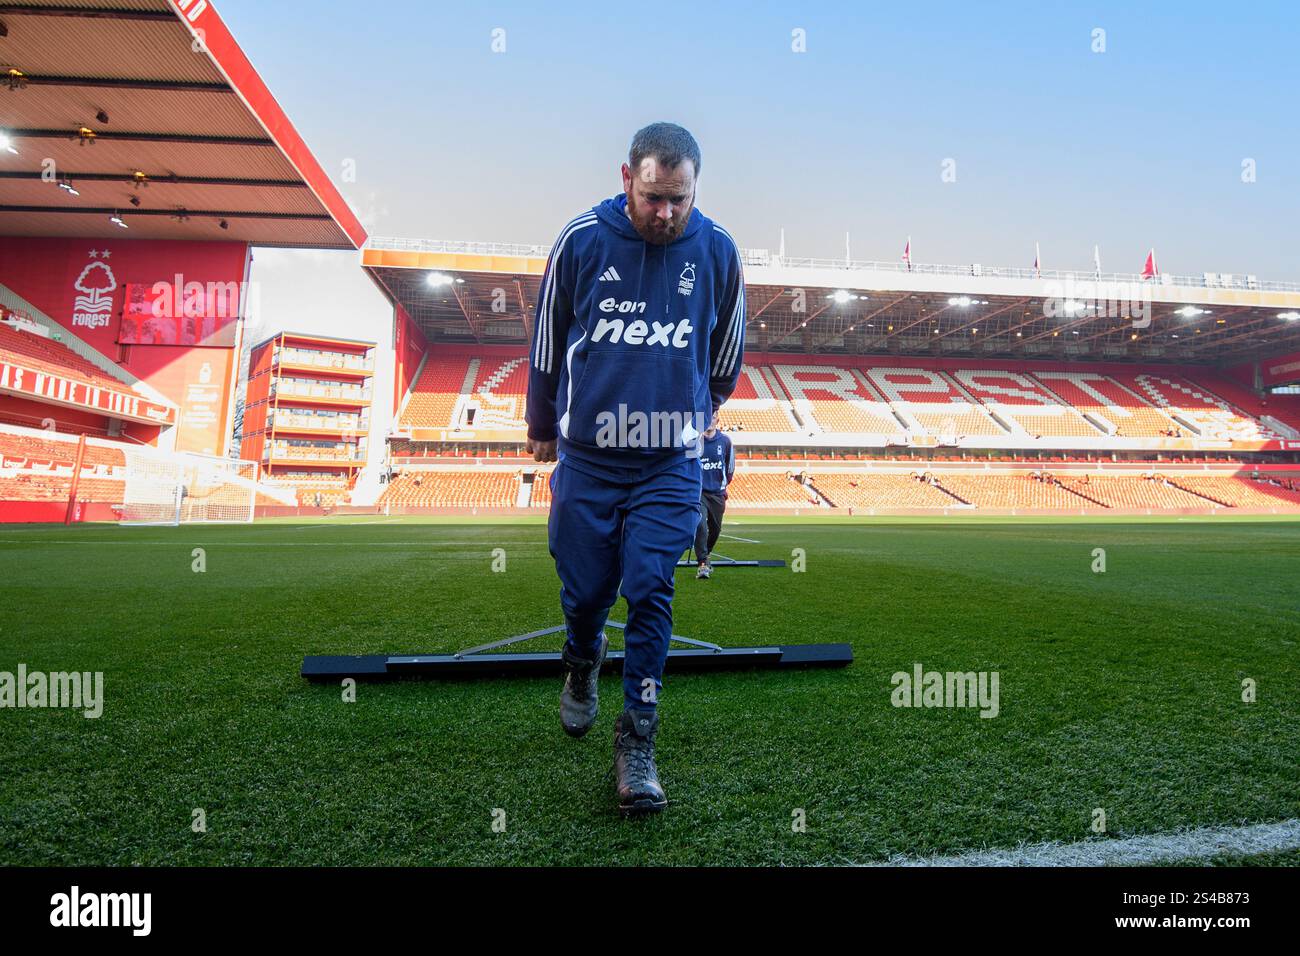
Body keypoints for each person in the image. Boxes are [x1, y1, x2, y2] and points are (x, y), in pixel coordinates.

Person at [525, 122, 746, 816]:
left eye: (678, 198)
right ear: (628, 178)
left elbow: (724, 352)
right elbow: (547, 336)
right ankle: (581, 658)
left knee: (651, 590)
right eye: (653, 197)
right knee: (587, 590)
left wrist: (692, 412)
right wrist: (540, 426)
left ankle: (638, 738)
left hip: (668, 460)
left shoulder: (717, 251)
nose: (666, 212)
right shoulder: (582, 241)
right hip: (589, 457)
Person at [693, 412, 735, 579]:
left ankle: (706, 553)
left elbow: (729, 467)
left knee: (715, 529)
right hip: (699, 493)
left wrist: (722, 485)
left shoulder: (725, 441)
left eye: (713, 416)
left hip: (717, 493)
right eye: (706, 416)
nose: (710, 420)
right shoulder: (695, 441)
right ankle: (702, 563)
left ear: (717, 419)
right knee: (701, 525)